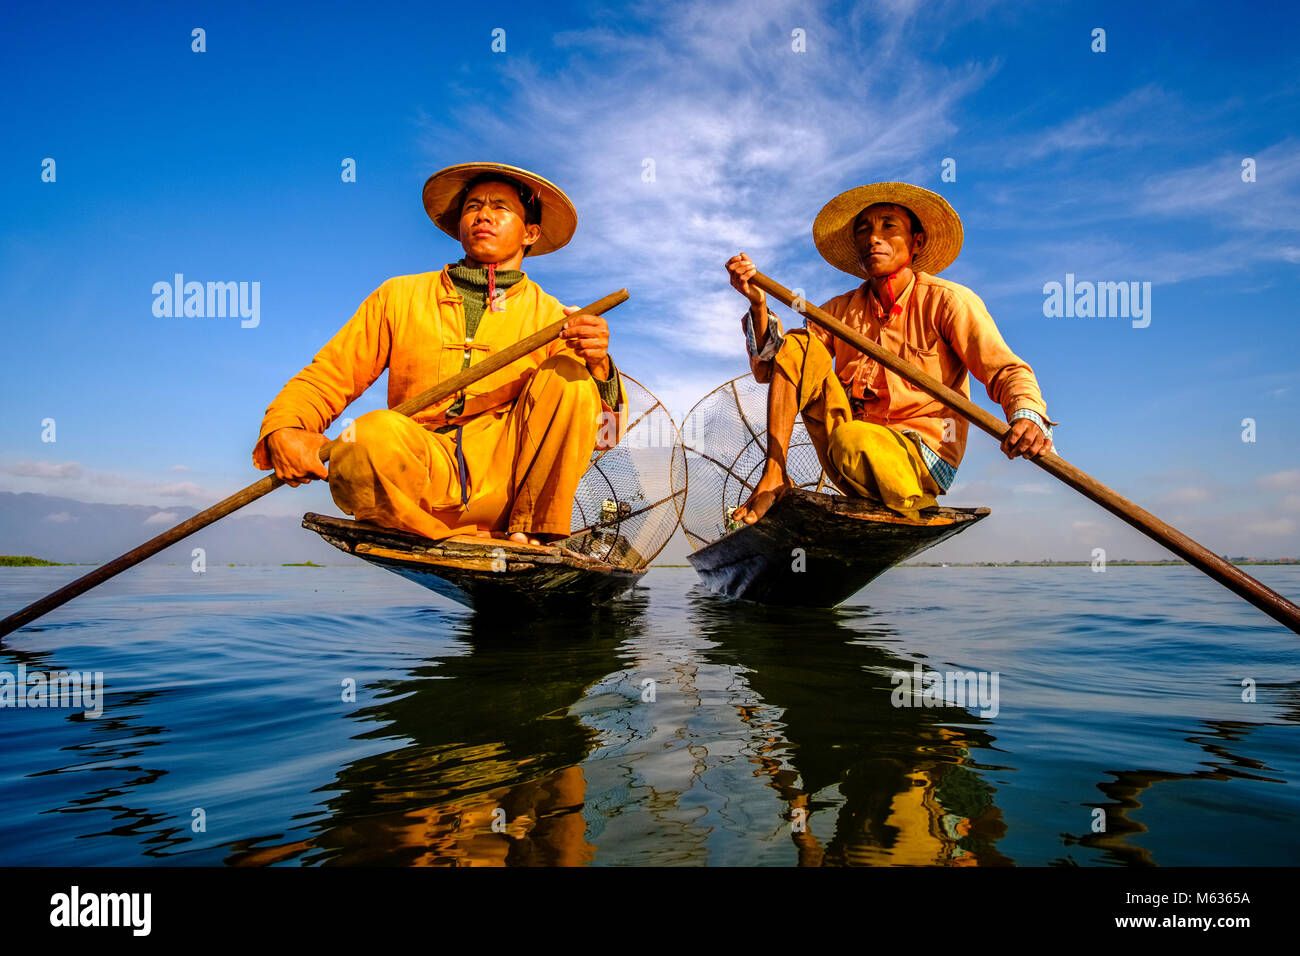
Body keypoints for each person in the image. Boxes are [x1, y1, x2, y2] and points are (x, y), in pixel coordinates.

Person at [252, 162, 624, 545]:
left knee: (573, 380)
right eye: (472, 206)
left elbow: (603, 439)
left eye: (500, 207)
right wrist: (286, 428)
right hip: (415, 478)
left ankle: (533, 532)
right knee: (364, 435)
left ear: (530, 233)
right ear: (460, 227)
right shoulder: (399, 296)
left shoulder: (554, 319)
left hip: (506, 492)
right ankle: (434, 534)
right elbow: (330, 374)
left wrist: (598, 366)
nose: (483, 215)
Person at [725, 181, 1055, 523]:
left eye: (888, 226)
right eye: (864, 230)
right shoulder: (837, 312)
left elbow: (1006, 370)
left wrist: (1026, 416)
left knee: (853, 441)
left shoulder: (947, 301)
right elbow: (776, 369)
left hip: (919, 456)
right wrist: (759, 306)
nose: (873, 238)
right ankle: (775, 476)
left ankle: (911, 501)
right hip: (847, 449)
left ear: (917, 242)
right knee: (800, 347)